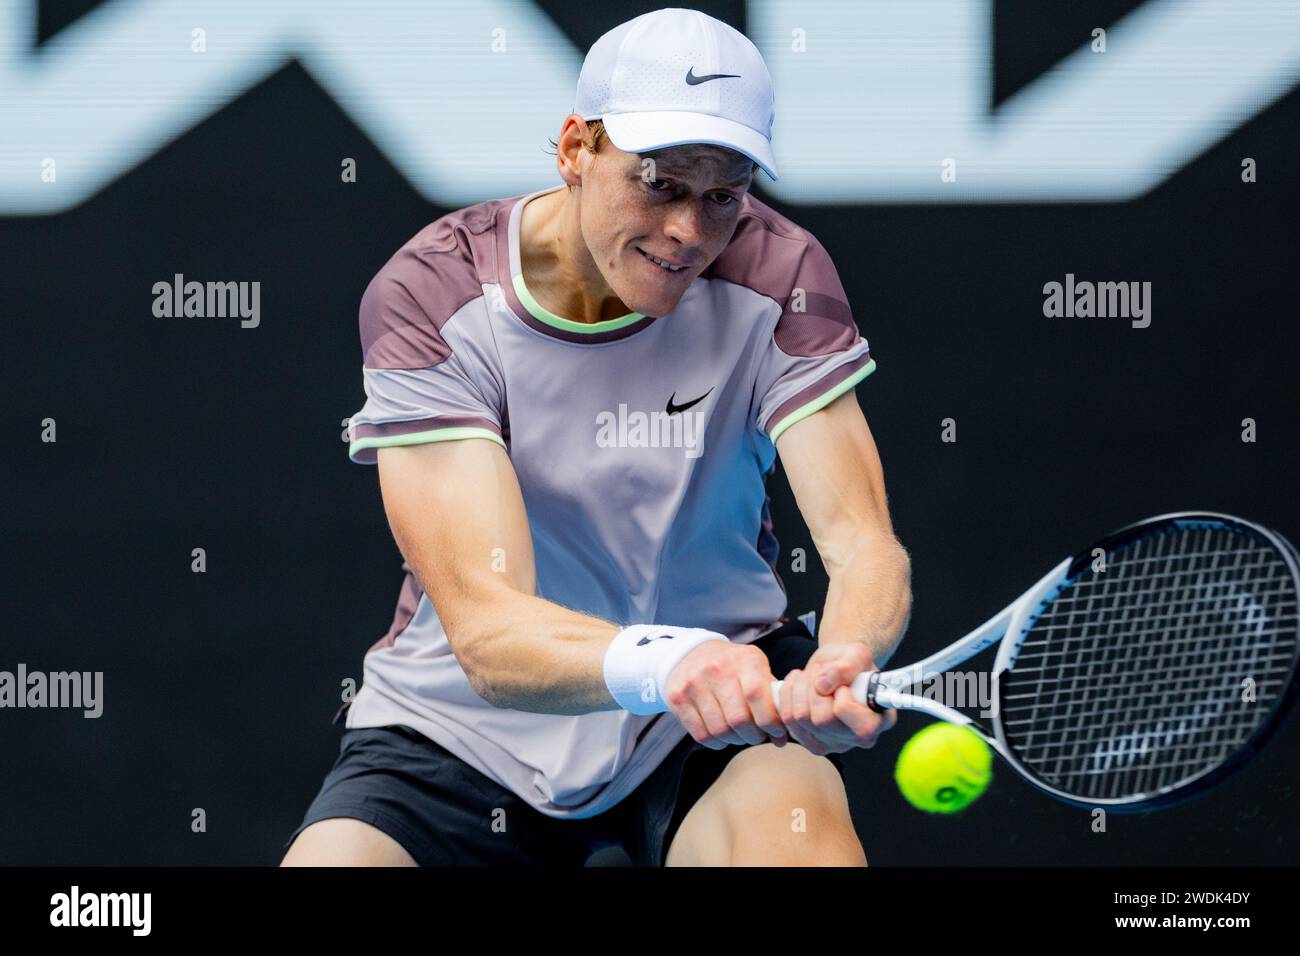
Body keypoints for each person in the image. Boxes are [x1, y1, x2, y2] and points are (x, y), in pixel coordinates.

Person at [281, 7, 911, 867]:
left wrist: (845, 654)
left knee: (799, 838)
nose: (690, 232)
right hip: (461, 731)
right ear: (576, 149)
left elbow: (864, 545)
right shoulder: (433, 294)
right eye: (660, 183)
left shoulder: (780, 274)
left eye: (722, 195)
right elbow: (491, 637)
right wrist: (671, 660)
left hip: (710, 725)